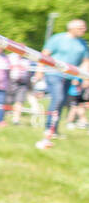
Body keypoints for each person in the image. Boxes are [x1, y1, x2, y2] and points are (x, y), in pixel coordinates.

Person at [36, 18, 88, 149]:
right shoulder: (58, 38)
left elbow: (86, 61)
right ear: (71, 28)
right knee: (58, 98)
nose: (84, 29)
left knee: (63, 102)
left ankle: (54, 129)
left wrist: (81, 76)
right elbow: (45, 54)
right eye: (81, 27)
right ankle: (49, 128)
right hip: (54, 74)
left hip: (70, 77)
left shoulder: (82, 43)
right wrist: (39, 70)